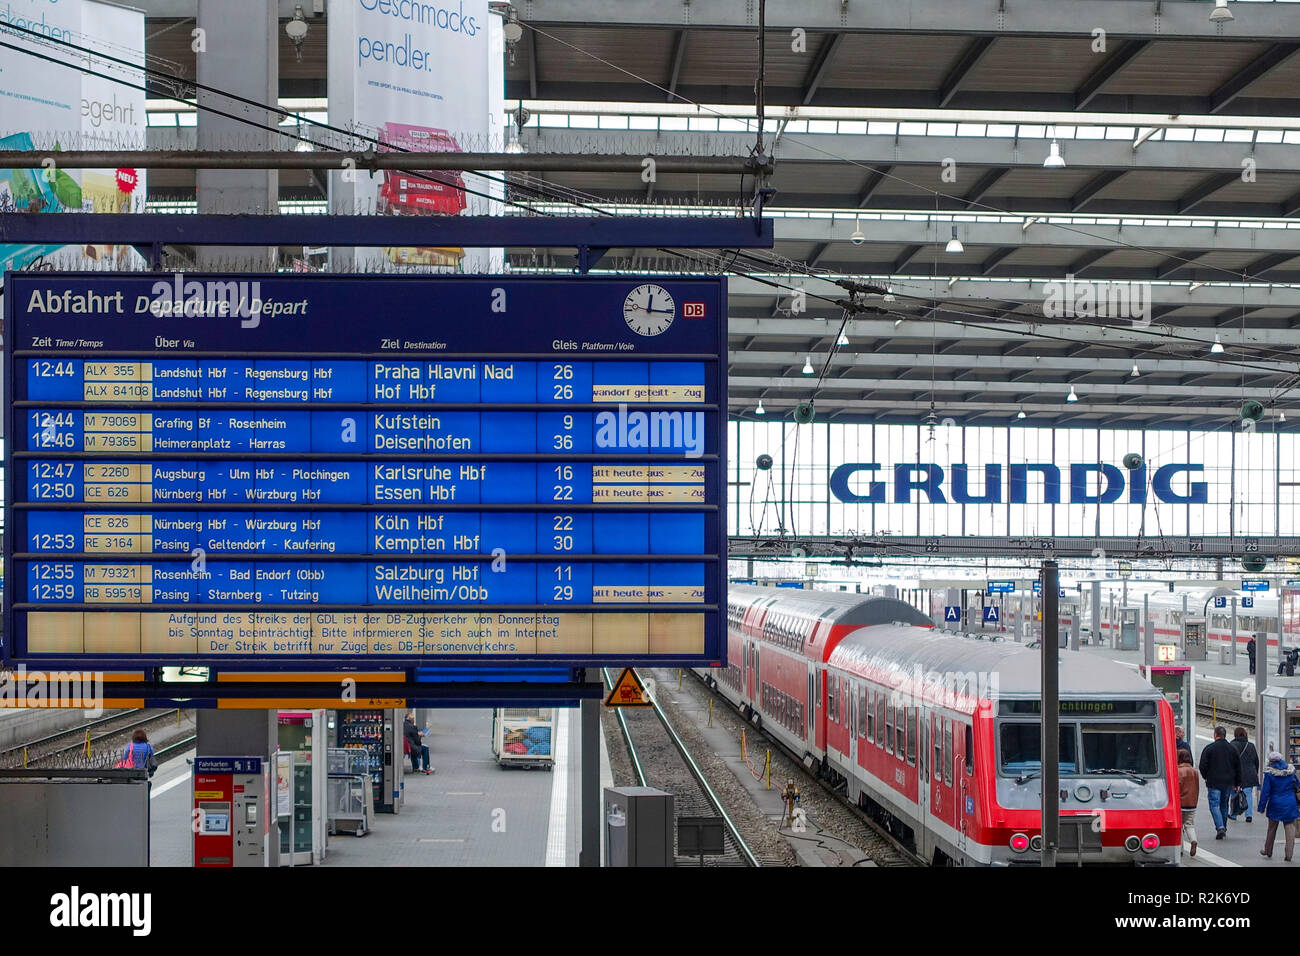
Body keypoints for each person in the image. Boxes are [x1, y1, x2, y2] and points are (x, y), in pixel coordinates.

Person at [1198, 726, 1243, 839]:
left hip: (1213, 782)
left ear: (1215, 735)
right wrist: (1238, 782)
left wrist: (1206, 777)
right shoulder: (1232, 749)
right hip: (1228, 782)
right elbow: (1238, 767)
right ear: (1225, 735)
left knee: (1214, 804)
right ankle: (1223, 827)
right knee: (1224, 804)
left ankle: (1220, 827)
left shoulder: (1209, 748)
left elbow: (1202, 765)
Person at [1257, 751, 1299, 862]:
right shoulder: (1290, 771)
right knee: (1290, 828)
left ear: (1271, 761)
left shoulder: (1270, 774)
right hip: (1290, 803)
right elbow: (1297, 786)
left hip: (1275, 803)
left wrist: (1261, 807)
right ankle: (1289, 855)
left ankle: (1268, 850)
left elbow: (1265, 792)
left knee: (1271, 828)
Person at [1229, 726, 1259, 824]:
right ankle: (1249, 815)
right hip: (1249, 773)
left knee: (1234, 793)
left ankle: (1233, 814)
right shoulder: (1250, 745)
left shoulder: (1232, 745)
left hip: (1236, 773)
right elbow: (1256, 761)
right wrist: (1255, 772)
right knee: (1248, 794)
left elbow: (1230, 761)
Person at [1178, 749, 1200, 857]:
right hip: (1192, 803)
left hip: (1180, 803)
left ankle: (1180, 850)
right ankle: (1193, 840)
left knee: (1179, 827)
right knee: (1189, 824)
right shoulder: (1194, 771)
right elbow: (1197, 787)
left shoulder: (1178, 771)